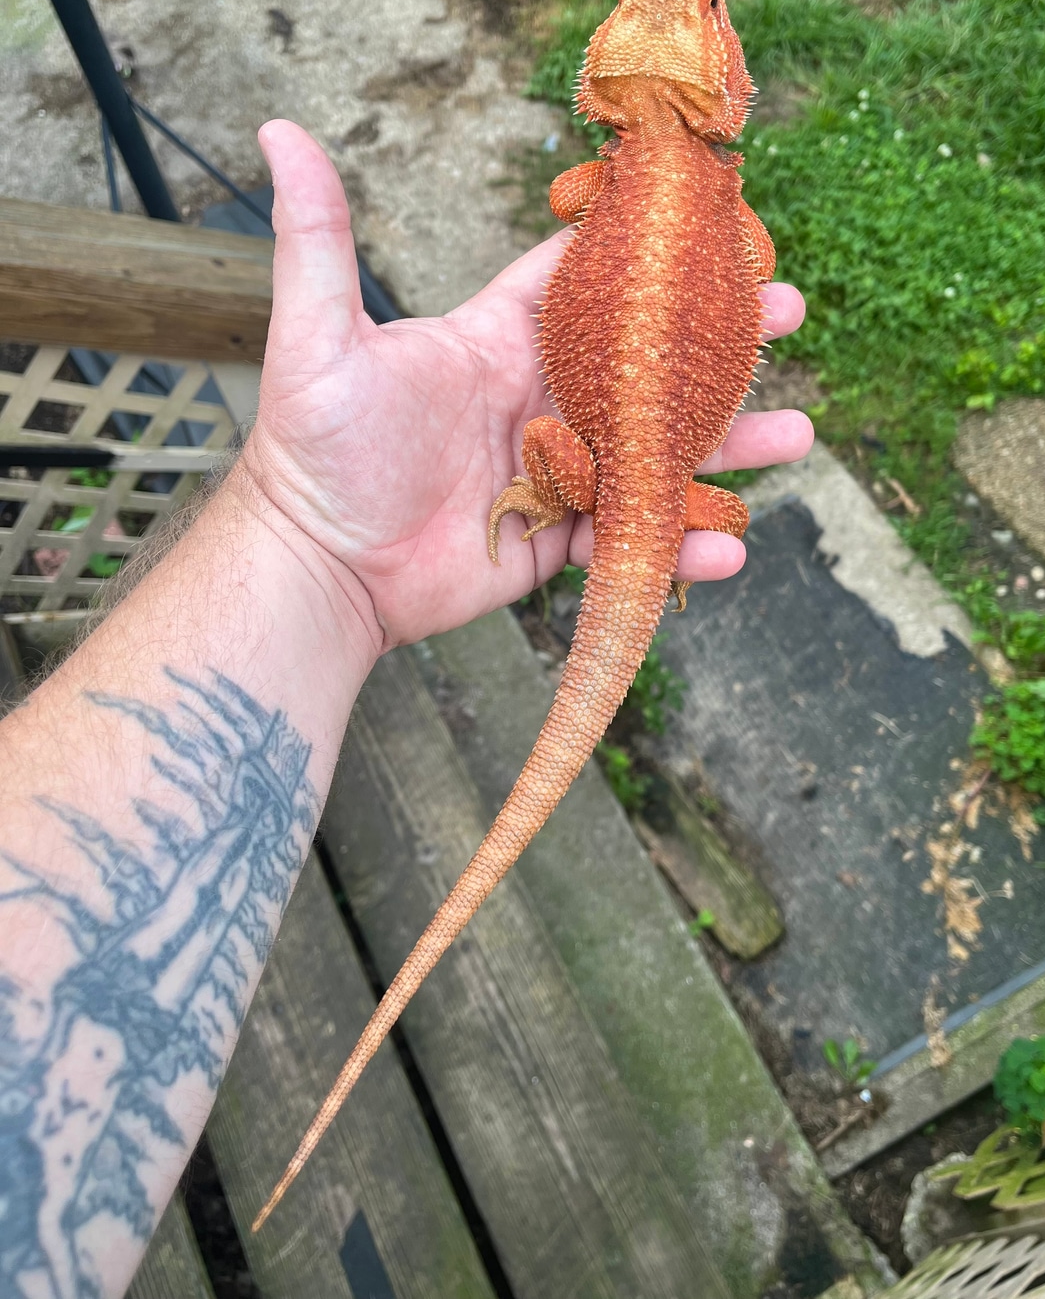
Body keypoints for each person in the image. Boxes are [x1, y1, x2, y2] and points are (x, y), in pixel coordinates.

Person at [0, 120, 813, 1298]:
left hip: (590, 476)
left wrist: (314, 537)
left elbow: (573, 187)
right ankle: (667, 538)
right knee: (702, 505)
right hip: (659, 494)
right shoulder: (725, 202)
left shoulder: (609, 175)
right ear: (726, 88)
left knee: (579, 463)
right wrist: (311, 537)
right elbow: (743, 246)